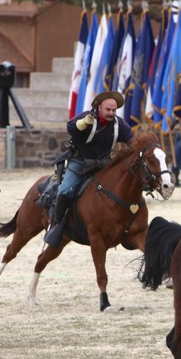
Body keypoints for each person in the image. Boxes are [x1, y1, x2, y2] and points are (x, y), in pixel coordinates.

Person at [45, 90, 134, 245]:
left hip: (104, 165)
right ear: (99, 107)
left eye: (114, 110)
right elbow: (71, 128)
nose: (111, 113)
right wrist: (81, 125)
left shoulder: (118, 124)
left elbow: (131, 139)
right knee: (65, 189)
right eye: (108, 109)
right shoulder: (87, 118)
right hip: (80, 163)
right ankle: (57, 224)